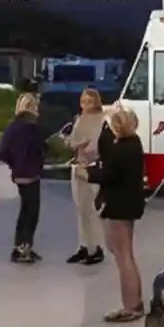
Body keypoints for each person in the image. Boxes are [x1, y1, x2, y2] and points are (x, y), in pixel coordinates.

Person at [84, 105, 147, 322]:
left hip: (120, 205)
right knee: (124, 253)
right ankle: (135, 303)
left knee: (123, 256)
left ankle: (131, 306)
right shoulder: (134, 143)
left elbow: (110, 174)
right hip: (130, 203)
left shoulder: (121, 149)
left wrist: (86, 173)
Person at [0, 93, 45, 263]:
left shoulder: (12, 127)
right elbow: (40, 150)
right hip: (32, 173)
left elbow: (2, 153)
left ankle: (21, 246)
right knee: (31, 212)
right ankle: (23, 247)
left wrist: (14, 163)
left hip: (18, 173)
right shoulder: (33, 128)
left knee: (25, 210)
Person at [64, 88, 106, 265]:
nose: (86, 105)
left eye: (89, 101)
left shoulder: (100, 120)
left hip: (91, 167)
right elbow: (74, 140)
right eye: (83, 101)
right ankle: (83, 245)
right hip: (78, 165)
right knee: (80, 209)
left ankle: (96, 247)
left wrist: (82, 145)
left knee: (91, 210)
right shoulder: (80, 118)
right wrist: (69, 142)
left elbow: (96, 144)